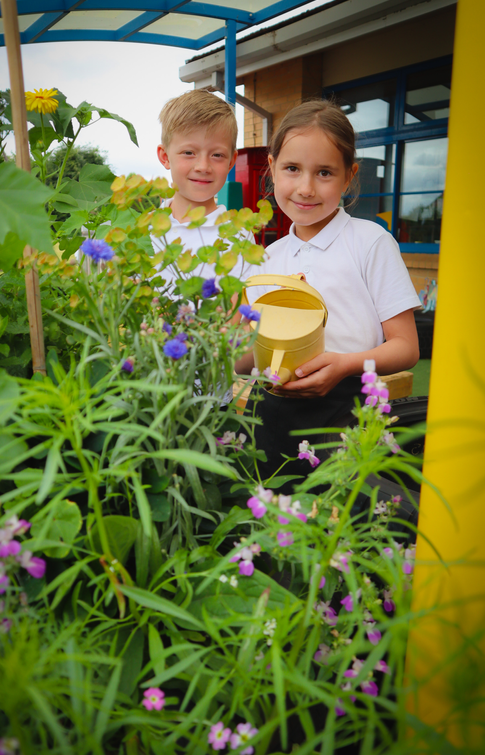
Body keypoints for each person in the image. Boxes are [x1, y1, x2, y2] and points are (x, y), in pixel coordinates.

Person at [236, 99, 421, 486]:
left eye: (324, 173)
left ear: (349, 176)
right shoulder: (266, 257)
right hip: (269, 413)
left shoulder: (370, 242)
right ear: (271, 168)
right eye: (291, 169)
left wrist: (345, 364)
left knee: (339, 525)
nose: (305, 188)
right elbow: (249, 350)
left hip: (348, 408)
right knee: (272, 521)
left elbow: (406, 347)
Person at [154, 89, 250, 285]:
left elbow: (241, 308)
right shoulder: (146, 229)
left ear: (231, 162)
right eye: (189, 152)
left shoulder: (239, 236)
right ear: (165, 157)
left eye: (217, 155)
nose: (203, 167)